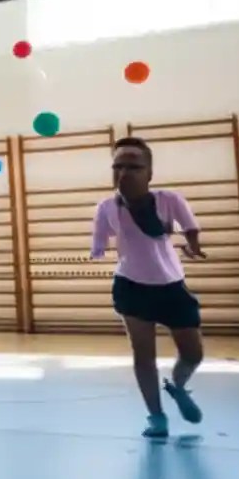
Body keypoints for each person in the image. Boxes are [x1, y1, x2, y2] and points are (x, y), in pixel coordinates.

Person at [91, 137, 205, 439]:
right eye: (118, 166)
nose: (125, 172)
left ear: (149, 173)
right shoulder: (106, 207)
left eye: (134, 166)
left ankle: (178, 386)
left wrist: (192, 243)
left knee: (193, 354)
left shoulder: (170, 199)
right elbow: (100, 242)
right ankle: (156, 417)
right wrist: (96, 251)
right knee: (143, 355)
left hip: (171, 287)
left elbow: (188, 227)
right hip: (131, 287)